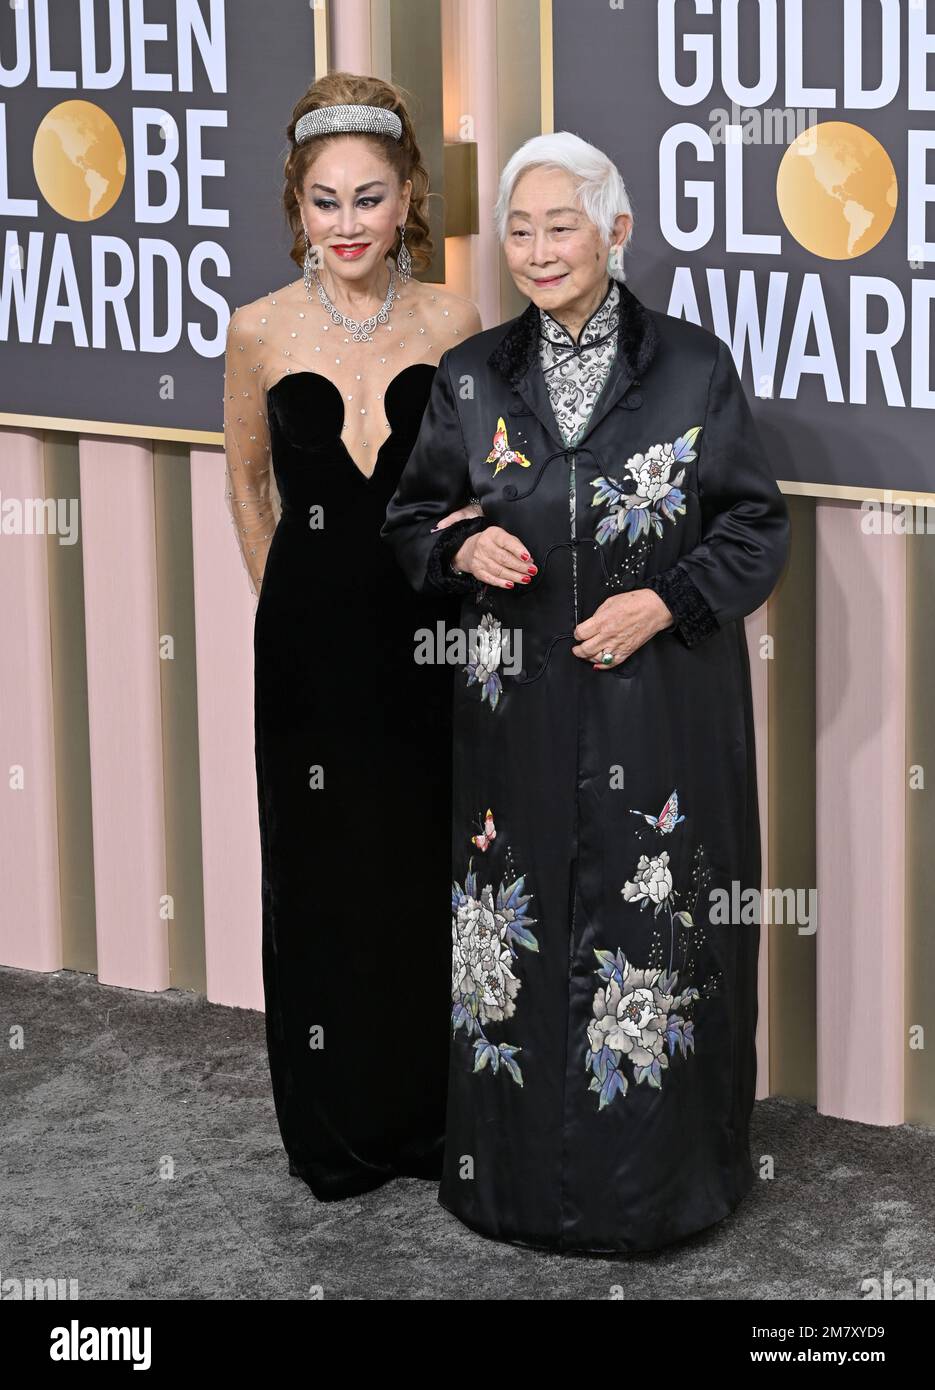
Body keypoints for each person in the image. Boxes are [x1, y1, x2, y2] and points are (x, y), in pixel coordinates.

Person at [381, 131, 791, 1253]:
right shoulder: (471, 378)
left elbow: (755, 525)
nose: (536, 249)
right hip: (511, 711)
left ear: (614, 232)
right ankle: (508, 1184)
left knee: (646, 919)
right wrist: (459, 555)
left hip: (658, 709)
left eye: (560, 225)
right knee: (516, 926)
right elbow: (410, 520)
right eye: (518, 228)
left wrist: (665, 602)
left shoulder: (691, 368)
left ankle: (655, 1191)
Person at [222, 73, 482, 1201]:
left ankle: (426, 1119)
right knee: (324, 876)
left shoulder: (453, 320)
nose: (346, 225)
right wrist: (285, 602)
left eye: (368, 199)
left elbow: (471, 484)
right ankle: (334, 1133)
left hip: (429, 638)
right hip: (310, 651)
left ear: (408, 196)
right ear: (297, 205)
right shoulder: (257, 330)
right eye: (325, 202)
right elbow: (245, 485)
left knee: (423, 867)